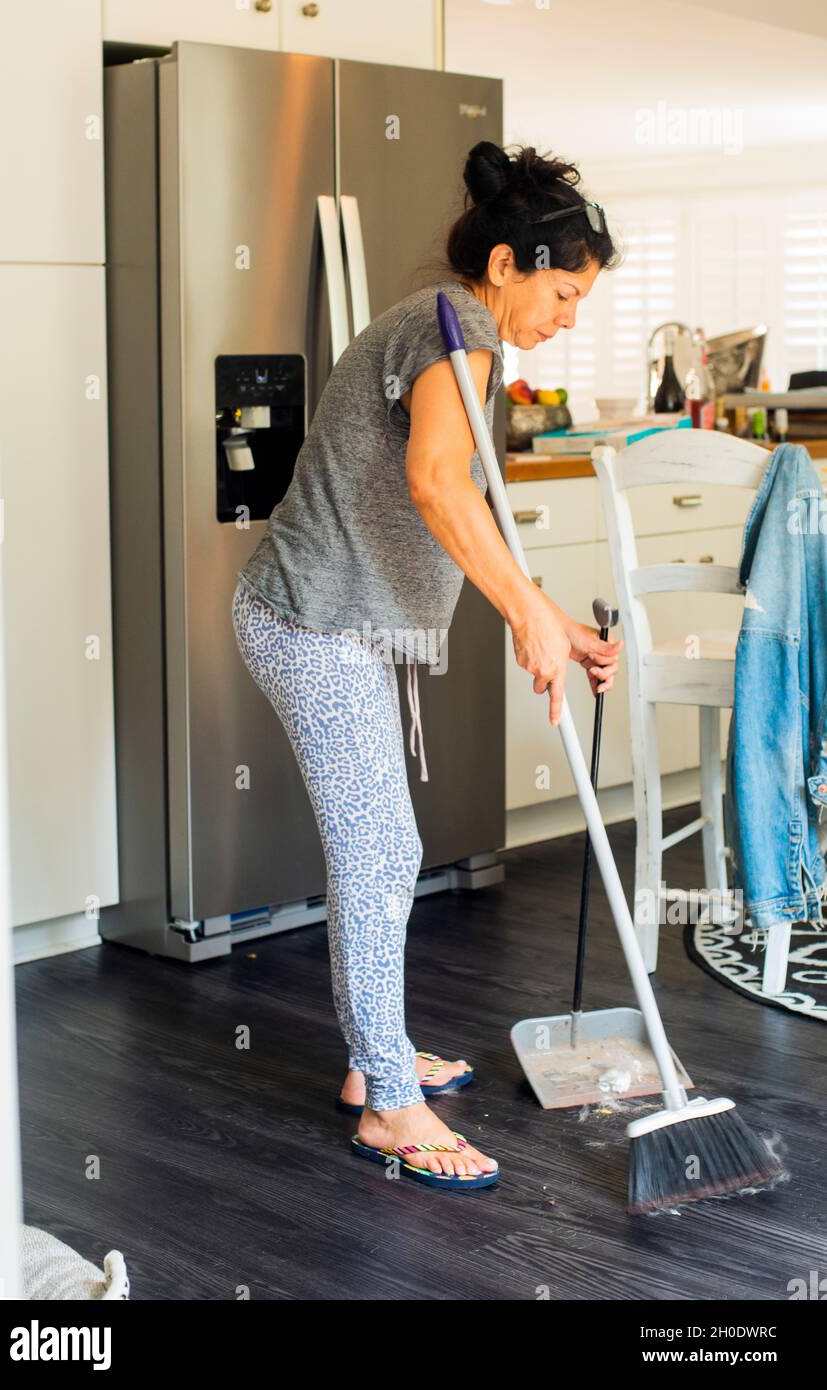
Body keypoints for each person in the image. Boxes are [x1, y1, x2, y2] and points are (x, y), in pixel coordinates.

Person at [232, 140, 622, 1190]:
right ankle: (389, 1106)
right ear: (507, 263)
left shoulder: (455, 326)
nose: (569, 316)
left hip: (336, 621)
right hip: (312, 620)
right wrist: (526, 622)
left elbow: (461, 505)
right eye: (565, 289)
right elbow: (441, 484)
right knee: (380, 849)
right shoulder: (462, 330)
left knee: (381, 847)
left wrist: (545, 616)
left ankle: (380, 1062)